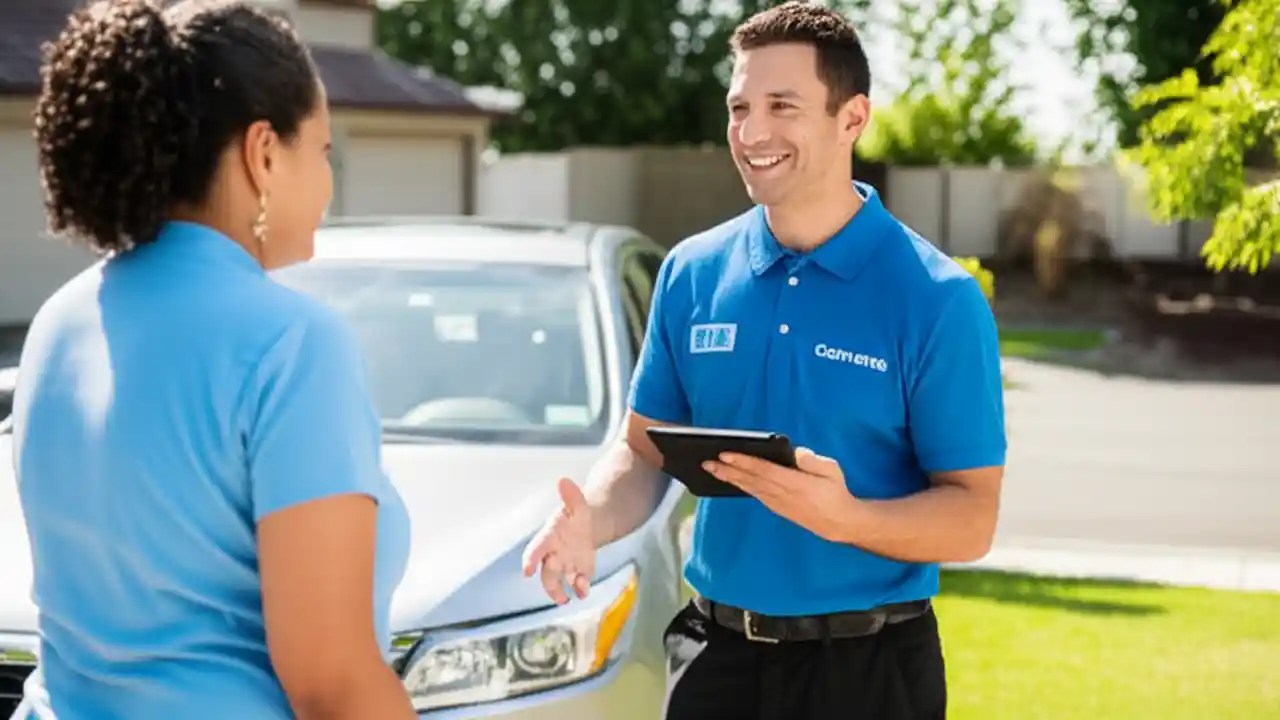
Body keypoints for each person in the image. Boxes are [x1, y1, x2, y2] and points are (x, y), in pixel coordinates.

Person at [521, 2, 1006, 718]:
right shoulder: (692, 272)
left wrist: (844, 518)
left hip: (866, 671)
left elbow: (972, 518)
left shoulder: (936, 297)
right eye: (739, 106)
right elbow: (644, 451)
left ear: (853, 118)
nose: (752, 133)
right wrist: (589, 520)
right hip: (716, 657)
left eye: (782, 106)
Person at [9, 1, 416, 718]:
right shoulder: (293, 341)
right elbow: (333, 683)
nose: (329, 184)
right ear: (263, 153)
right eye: (323, 153)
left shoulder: (57, 324)